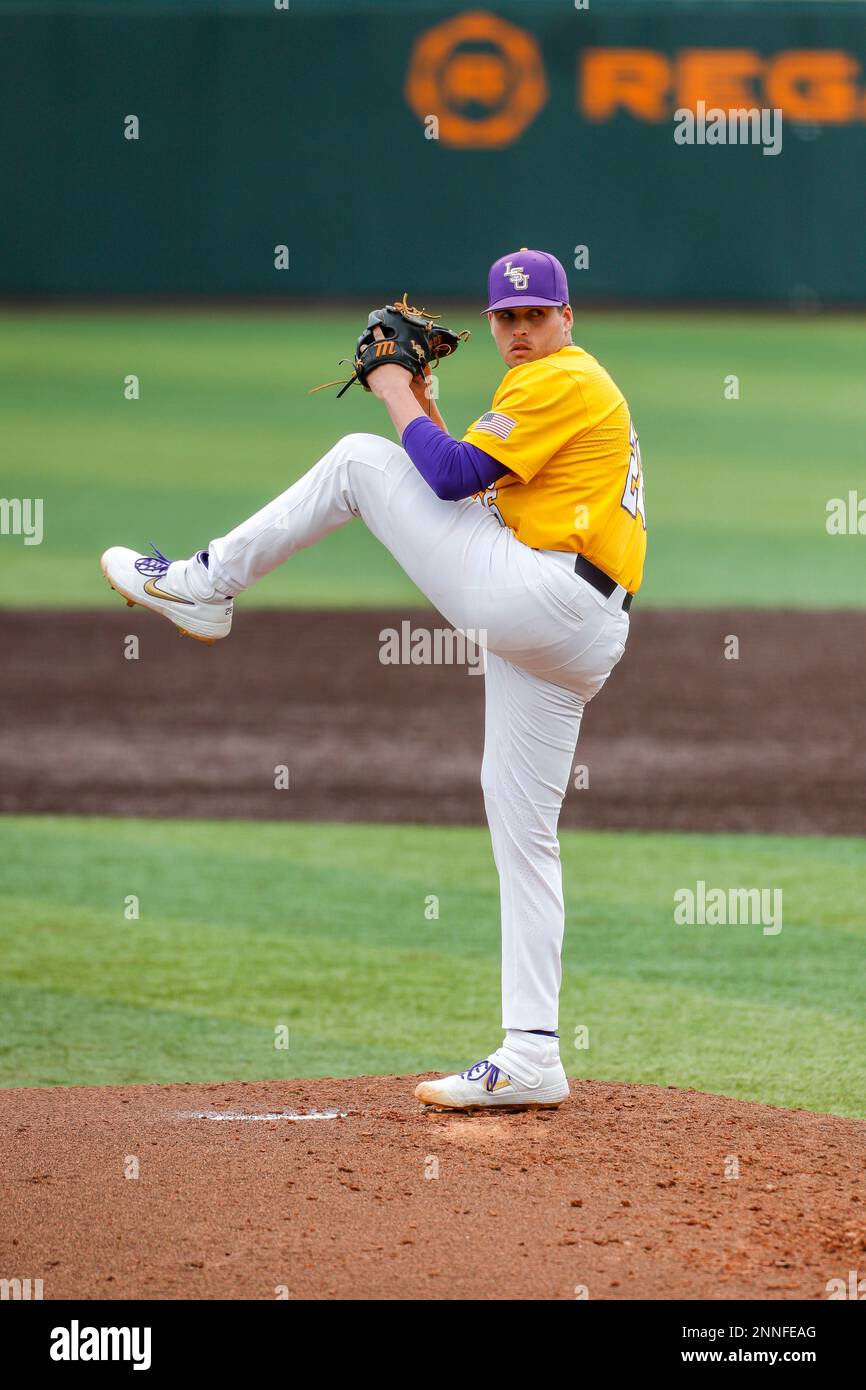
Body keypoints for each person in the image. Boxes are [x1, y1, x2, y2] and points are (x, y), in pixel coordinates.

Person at [100, 247, 647, 1111]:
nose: (518, 330)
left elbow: (449, 476)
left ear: (566, 318)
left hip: (544, 600)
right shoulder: (554, 388)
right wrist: (423, 404)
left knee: (359, 459)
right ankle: (533, 1052)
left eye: (535, 315)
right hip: (578, 627)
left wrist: (392, 386)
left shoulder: (560, 377)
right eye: (506, 317)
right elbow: (473, 497)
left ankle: (204, 585)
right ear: (492, 321)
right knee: (522, 826)